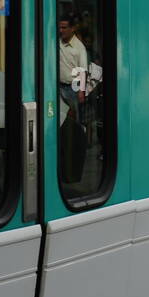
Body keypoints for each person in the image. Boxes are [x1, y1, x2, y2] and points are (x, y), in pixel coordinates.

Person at [58, 13, 88, 182]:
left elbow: (82, 71)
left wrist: (81, 92)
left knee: (72, 127)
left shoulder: (79, 48)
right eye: (60, 27)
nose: (61, 30)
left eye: (64, 28)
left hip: (71, 89)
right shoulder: (58, 43)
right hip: (58, 87)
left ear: (72, 28)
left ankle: (71, 166)